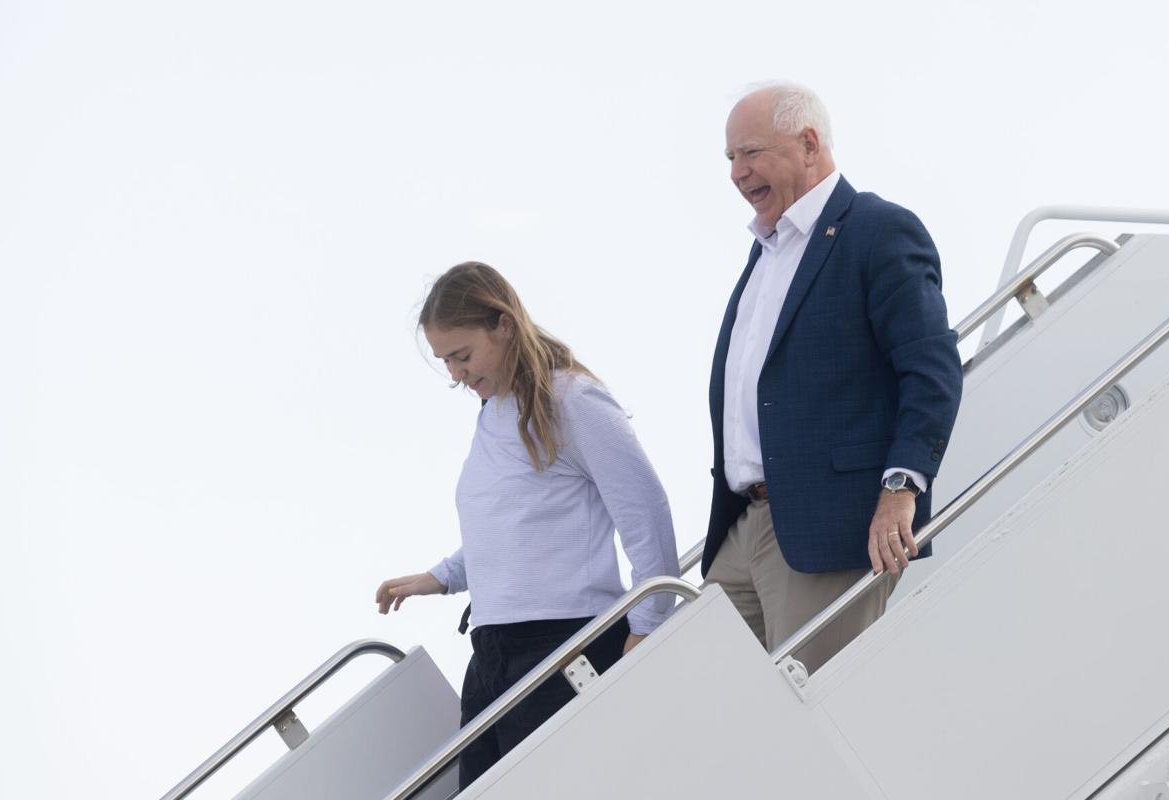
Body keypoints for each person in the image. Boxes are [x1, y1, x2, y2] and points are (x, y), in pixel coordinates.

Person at [375, 261, 679, 789]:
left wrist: (647, 625)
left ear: (504, 325)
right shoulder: (492, 413)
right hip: (493, 655)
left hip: (565, 647)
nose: (456, 374)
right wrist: (442, 576)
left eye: (462, 356)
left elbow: (644, 508)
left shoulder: (574, 400)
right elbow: (514, 525)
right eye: (446, 361)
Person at [702, 83, 964, 674]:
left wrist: (900, 489)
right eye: (730, 160)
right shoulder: (767, 251)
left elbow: (931, 368)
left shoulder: (877, 230)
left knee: (803, 717)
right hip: (741, 529)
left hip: (829, 532)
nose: (738, 174)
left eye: (750, 153)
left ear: (809, 144)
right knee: (705, 705)